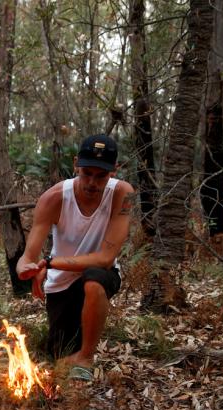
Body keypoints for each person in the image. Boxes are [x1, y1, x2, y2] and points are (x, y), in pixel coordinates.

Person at [16, 134, 135, 370]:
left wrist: (49, 263)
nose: (92, 182)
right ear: (75, 164)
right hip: (61, 283)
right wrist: (26, 269)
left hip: (103, 273)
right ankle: (74, 348)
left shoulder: (123, 194)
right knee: (60, 356)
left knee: (94, 279)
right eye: (86, 173)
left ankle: (86, 357)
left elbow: (105, 258)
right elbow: (27, 257)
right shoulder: (54, 198)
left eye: (101, 175)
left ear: (114, 170)